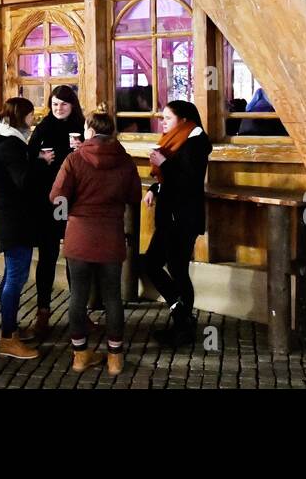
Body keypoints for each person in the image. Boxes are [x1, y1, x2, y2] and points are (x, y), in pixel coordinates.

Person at [50, 111, 142, 375]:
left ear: (89, 131)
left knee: (78, 296)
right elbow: (134, 195)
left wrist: (69, 213)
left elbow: (56, 196)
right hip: (111, 235)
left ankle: (80, 355)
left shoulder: (74, 159)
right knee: (112, 296)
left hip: (79, 235)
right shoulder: (125, 161)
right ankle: (115, 358)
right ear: (111, 133)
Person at [141, 100, 212, 348]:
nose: (163, 123)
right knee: (154, 264)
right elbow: (170, 178)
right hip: (171, 215)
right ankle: (182, 317)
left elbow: (188, 180)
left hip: (182, 217)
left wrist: (163, 164)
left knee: (175, 268)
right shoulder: (176, 139)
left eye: (168, 118)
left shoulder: (196, 141)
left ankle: (183, 324)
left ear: (183, 119)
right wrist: (154, 187)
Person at [0, 97, 41, 359]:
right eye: (30, 116)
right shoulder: (10, 146)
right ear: (21, 117)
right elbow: (25, 182)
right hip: (15, 219)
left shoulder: (2, 140)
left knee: (11, 274)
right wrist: (40, 162)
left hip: (9, 216)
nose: (33, 120)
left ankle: (10, 328)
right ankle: (8, 337)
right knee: (16, 277)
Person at [24, 85, 84, 342]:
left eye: (63, 104)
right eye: (55, 103)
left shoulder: (81, 127)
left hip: (75, 200)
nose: (58, 108)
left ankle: (78, 314)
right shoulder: (44, 127)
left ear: (73, 106)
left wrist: (83, 149)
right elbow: (27, 160)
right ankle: (43, 312)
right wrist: (39, 159)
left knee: (75, 258)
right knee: (48, 257)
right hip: (47, 202)